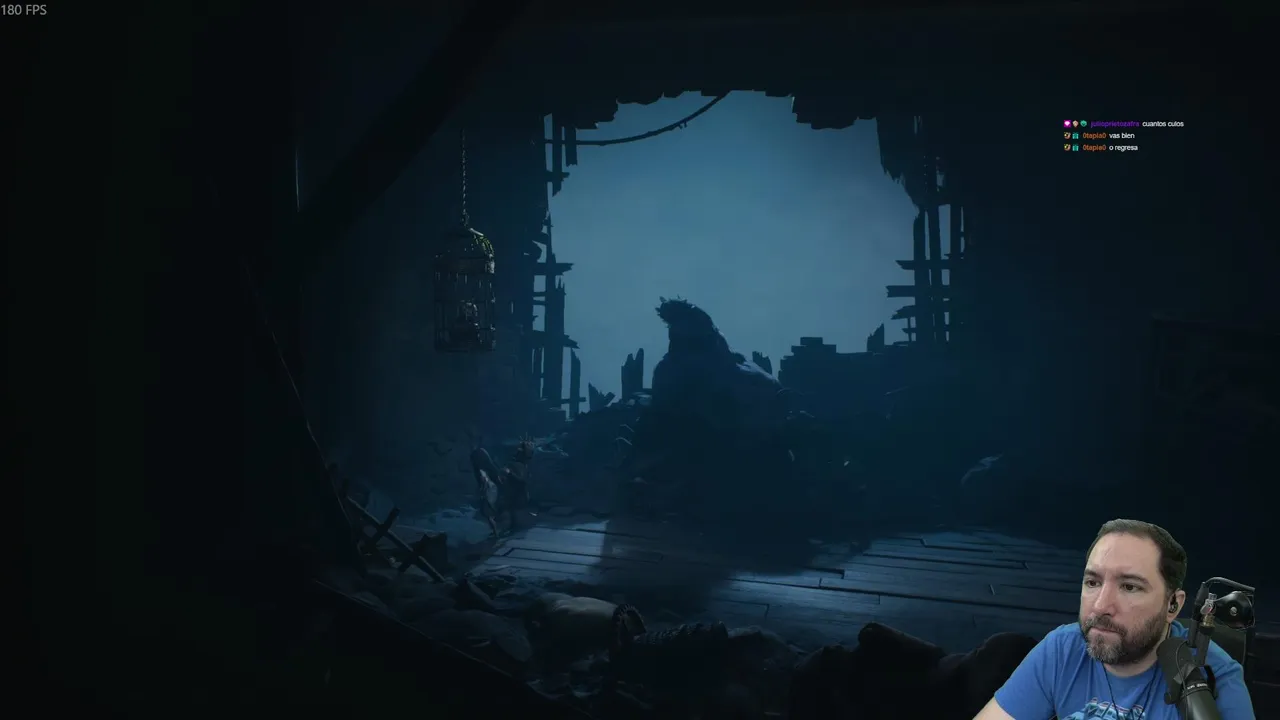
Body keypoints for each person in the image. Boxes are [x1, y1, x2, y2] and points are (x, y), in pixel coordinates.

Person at [973, 519, 1255, 720]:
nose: (1100, 606)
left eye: (1129, 587)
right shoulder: (1062, 650)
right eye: (1093, 582)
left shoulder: (1214, 679)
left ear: (1173, 605)